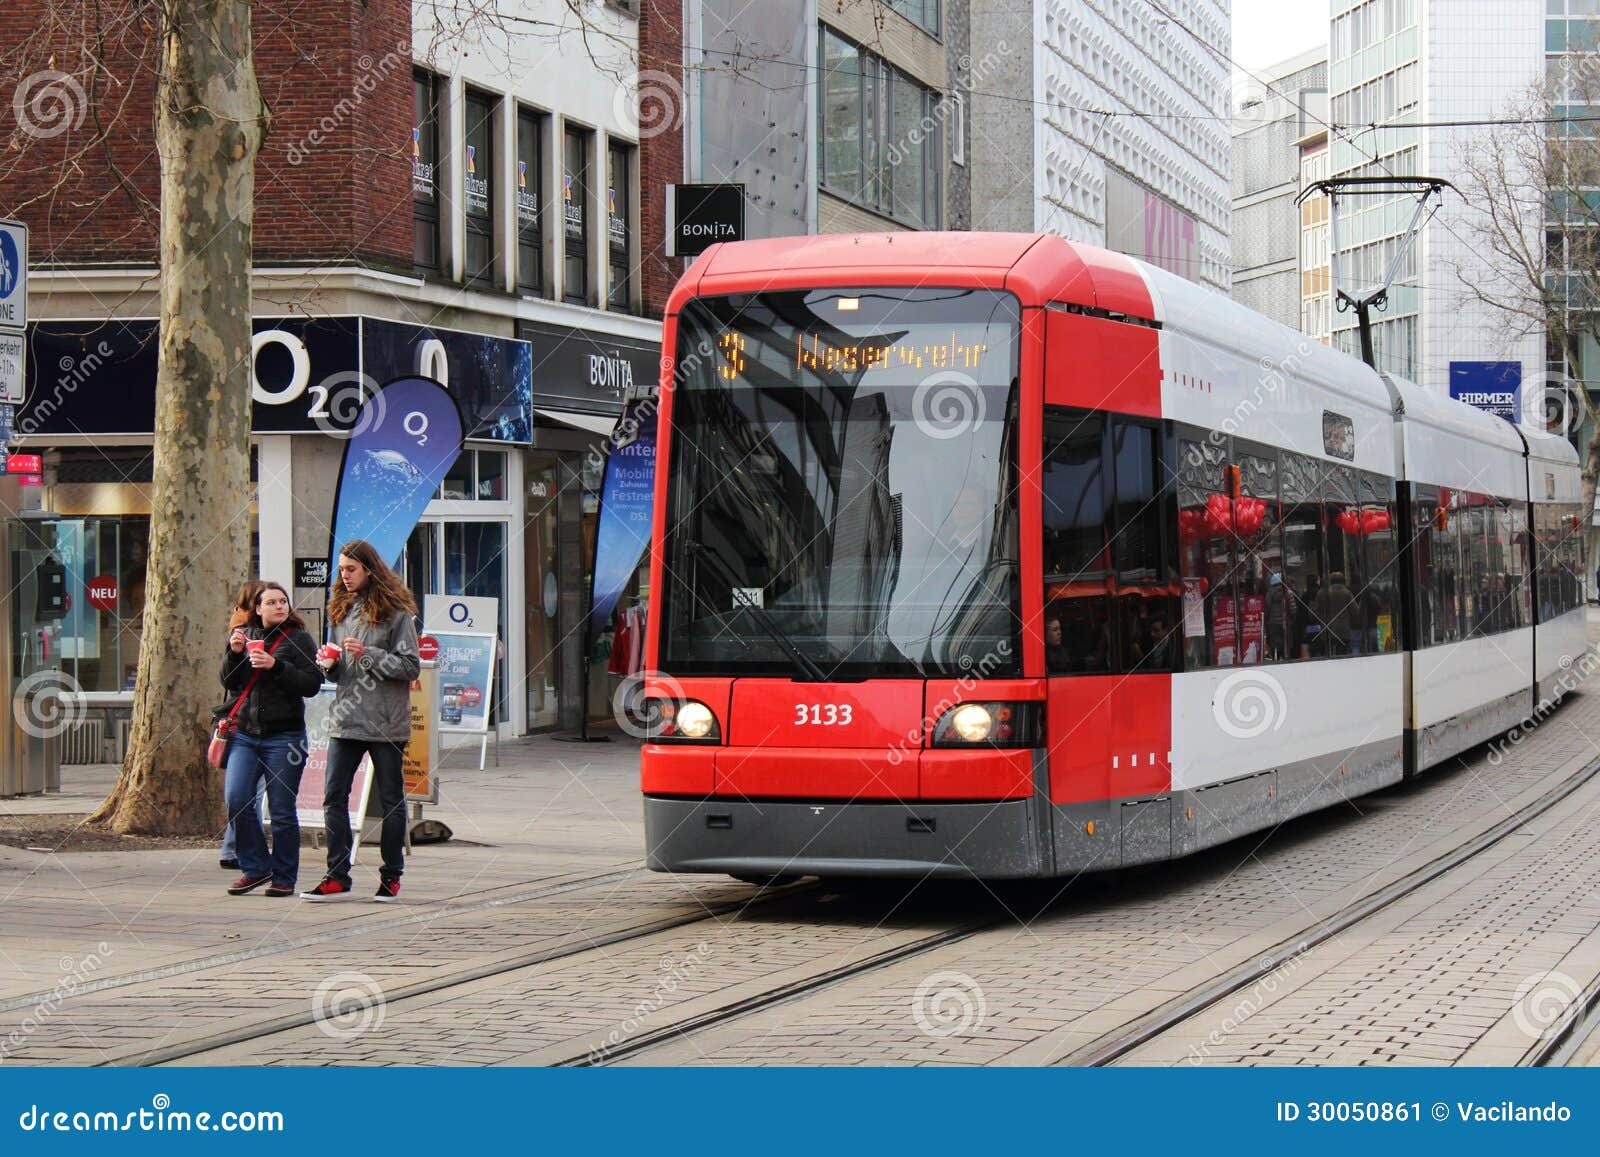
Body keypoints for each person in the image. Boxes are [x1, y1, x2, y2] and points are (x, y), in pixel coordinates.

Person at [302, 540, 421, 903]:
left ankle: (391, 874)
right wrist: (332, 665)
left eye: (350, 569)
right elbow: (342, 675)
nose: (344, 576)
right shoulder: (340, 609)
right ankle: (337, 874)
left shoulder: (397, 613)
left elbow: (410, 666)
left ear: (369, 569)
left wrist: (367, 653)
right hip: (346, 718)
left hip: (385, 721)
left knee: (391, 800)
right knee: (333, 797)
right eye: (341, 570)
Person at [219, 582, 321, 897]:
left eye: (283, 601)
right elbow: (228, 681)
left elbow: (311, 683)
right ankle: (256, 867)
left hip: (285, 737)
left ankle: (284, 877)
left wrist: (276, 666)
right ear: (258, 608)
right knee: (237, 799)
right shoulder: (246, 635)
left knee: (280, 808)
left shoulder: (300, 639)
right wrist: (234, 653)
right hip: (246, 734)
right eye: (271, 602)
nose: (279, 606)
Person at [219, 580, 265, 870]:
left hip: (244, 717)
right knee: (251, 791)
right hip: (249, 720)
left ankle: (231, 847)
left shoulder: (236, 629)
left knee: (245, 791)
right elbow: (230, 679)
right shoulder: (247, 633)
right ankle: (238, 849)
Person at [1044, 609, 1071, 673]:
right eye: (1055, 630)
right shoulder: (1042, 655)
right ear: (1045, 633)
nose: (1059, 632)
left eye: (1059, 629)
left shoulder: (1062, 650)